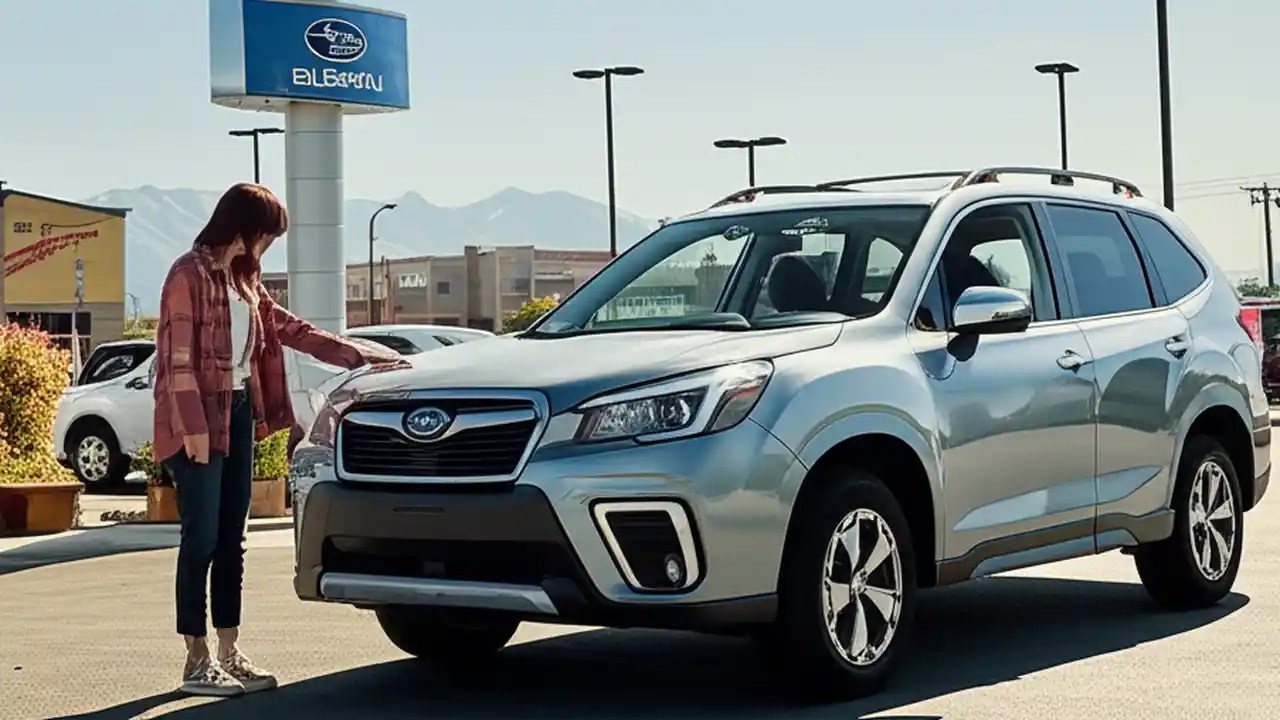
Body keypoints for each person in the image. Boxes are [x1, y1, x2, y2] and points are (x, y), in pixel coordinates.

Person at [152, 183, 398, 696]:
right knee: (199, 541)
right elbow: (177, 362)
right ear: (244, 228)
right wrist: (194, 429)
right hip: (197, 420)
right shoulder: (188, 275)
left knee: (232, 542)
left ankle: (228, 650)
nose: (269, 244)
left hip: (238, 413)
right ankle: (195, 661)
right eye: (267, 233)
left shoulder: (247, 284)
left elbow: (292, 330)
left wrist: (359, 354)